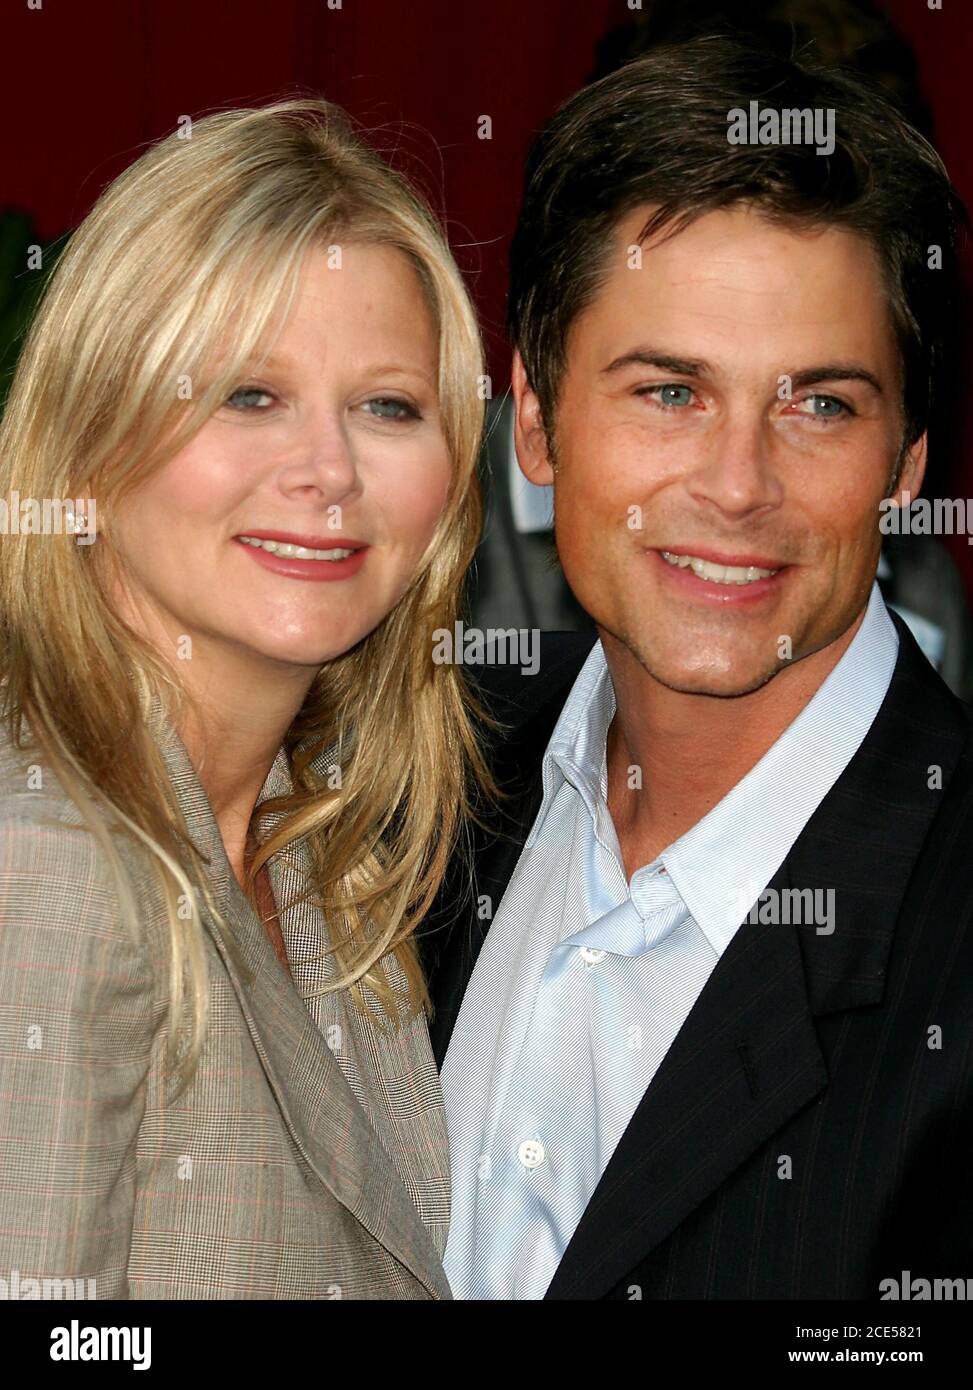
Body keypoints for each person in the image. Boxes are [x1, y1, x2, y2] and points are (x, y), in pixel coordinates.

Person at [426, 36, 973, 1299]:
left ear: (906, 466)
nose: (737, 486)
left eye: (819, 405)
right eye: (669, 392)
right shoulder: (418, 780)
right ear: (536, 412)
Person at [0, 98, 496, 1299]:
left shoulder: (321, 854)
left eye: (387, 406)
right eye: (246, 394)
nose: (327, 471)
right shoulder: (49, 862)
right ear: (88, 435)